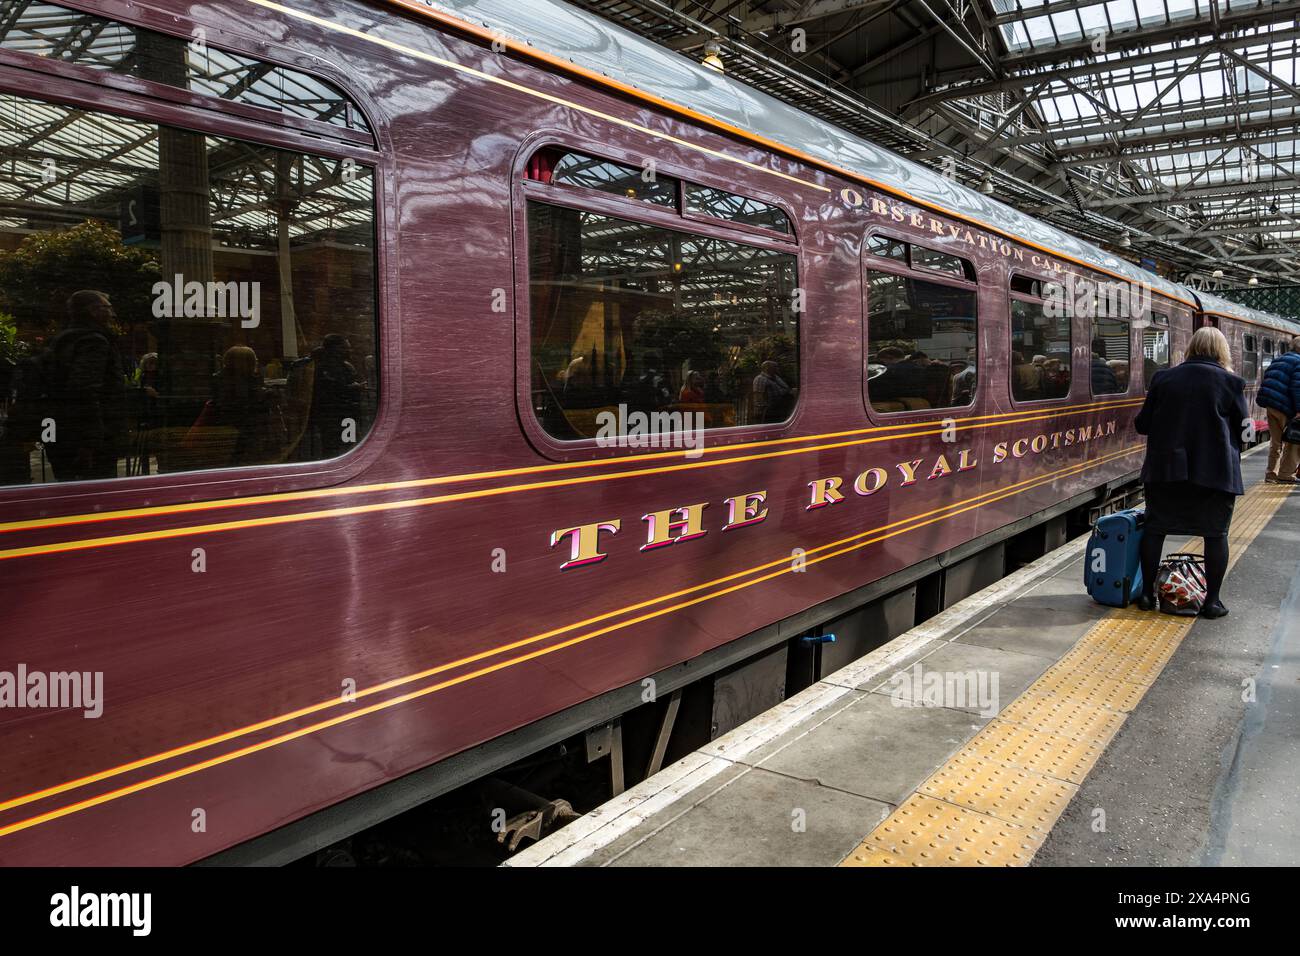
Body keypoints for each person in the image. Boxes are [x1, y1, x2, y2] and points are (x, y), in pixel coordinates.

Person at [1134, 327, 1248, 619]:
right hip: (1215, 474)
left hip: (1166, 470)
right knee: (1215, 534)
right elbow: (1246, 432)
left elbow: (1142, 425)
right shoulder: (1232, 382)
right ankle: (1212, 602)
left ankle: (1147, 595)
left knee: (1155, 529)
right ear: (1222, 350)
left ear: (1191, 348)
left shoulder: (1163, 378)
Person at [43, 290, 128, 482]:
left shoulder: (61, 340)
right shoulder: (94, 341)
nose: (113, 314)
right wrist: (90, 443)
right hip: (90, 440)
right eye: (108, 308)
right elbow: (84, 390)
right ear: (93, 311)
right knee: (97, 494)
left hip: (63, 433)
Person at [312, 334, 365, 459]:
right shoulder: (326, 367)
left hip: (343, 414)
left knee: (344, 445)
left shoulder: (340, 366)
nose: (349, 350)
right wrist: (355, 387)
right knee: (340, 447)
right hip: (336, 414)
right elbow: (332, 389)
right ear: (335, 349)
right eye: (345, 348)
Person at [1257, 334, 1300, 484]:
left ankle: (1271, 474)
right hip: (1285, 406)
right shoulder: (1299, 362)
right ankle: (1286, 474)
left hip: (1271, 405)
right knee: (1293, 440)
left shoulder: (1279, 359)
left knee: (1275, 442)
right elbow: (1297, 387)